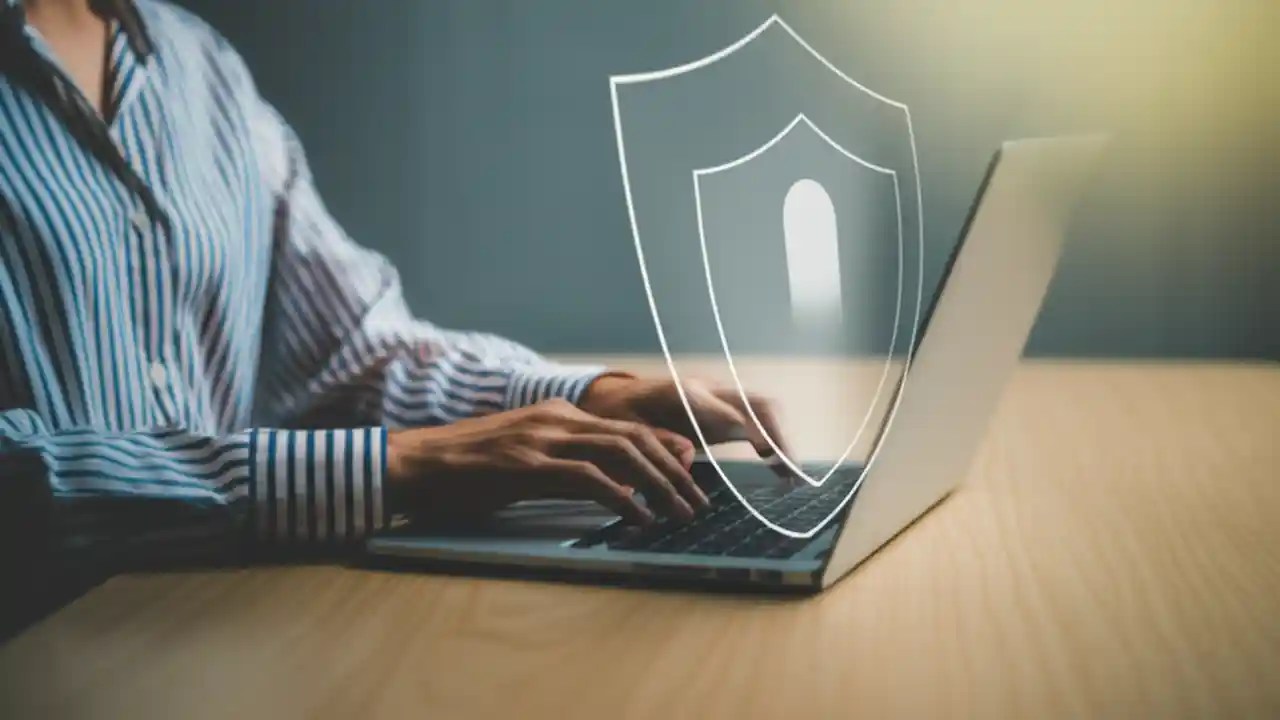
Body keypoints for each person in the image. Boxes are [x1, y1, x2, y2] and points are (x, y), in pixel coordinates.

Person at [0, 0, 785, 603]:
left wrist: (584, 398)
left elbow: (348, 351)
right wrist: (397, 466)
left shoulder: (195, 63)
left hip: (216, 624)